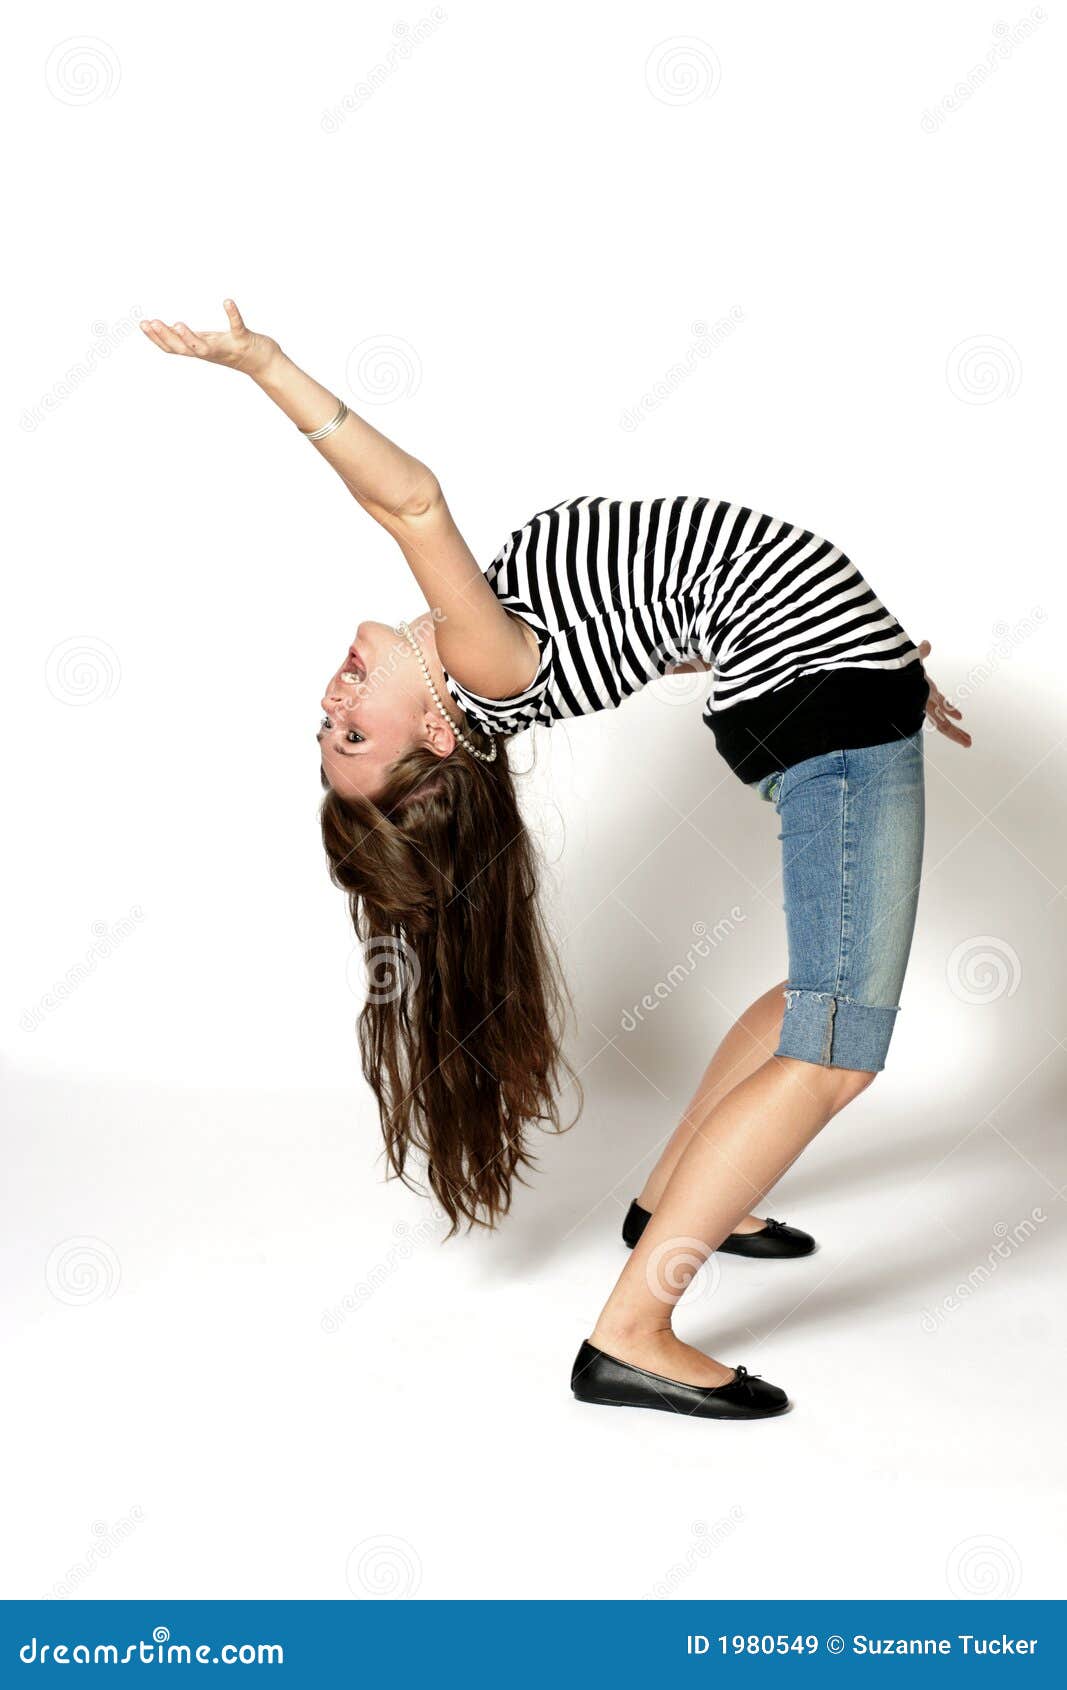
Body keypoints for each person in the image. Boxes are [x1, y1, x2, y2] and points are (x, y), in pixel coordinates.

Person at [140, 302, 972, 1422]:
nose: (333, 703)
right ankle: (633, 1334)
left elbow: (685, 612)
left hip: (830, 691)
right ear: (435, 738)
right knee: (837, 1047)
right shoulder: (484, 659)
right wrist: (265, 365)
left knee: (812, 999)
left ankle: (675, 1199)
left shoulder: (506, 635)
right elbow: (410, 501)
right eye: (353, 735)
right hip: (828, 717)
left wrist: (867, 655)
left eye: (326, 725)